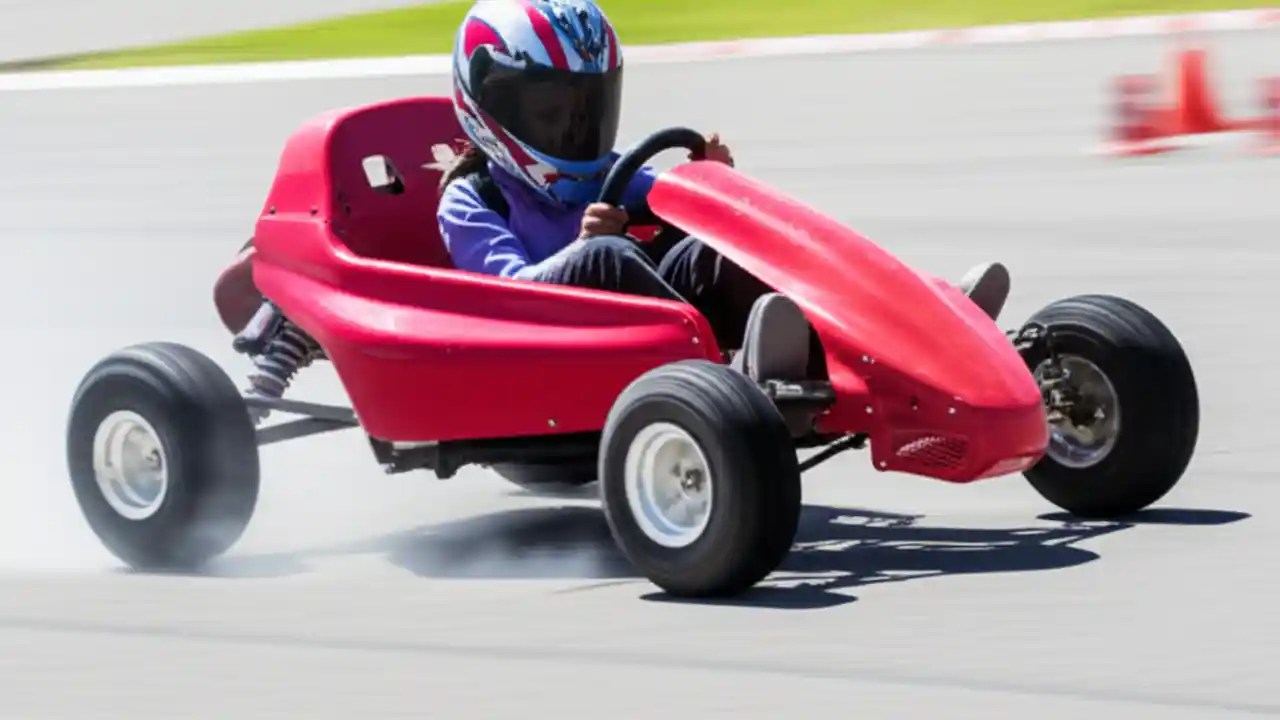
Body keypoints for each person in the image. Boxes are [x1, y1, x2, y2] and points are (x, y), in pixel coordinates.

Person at [436, 0, 1010, 382]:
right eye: (549, 110)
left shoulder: (600, 171)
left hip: (635, 348)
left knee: (721, 236)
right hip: (548, 356)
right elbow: (505, 299)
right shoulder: (473, 199)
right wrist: (582, 250)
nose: (570, 129)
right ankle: (727, 377)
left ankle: (914, 322)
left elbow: (682, 203)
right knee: (607, 257)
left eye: (584, 108)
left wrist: (714, 186)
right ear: (490, 102)